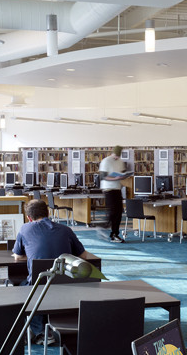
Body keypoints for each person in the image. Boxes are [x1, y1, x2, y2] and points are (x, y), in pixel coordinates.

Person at [11, 199, 86, 343]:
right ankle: (46, 330)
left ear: (29, 218)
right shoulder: (66, 229)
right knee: (42, 287)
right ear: (49, 213)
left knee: (26, 288)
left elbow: (18, 257)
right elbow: (84, 256)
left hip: (39, 285)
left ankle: (38, 331)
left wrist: (32, 255)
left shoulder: (25, 229)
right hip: (66, 285)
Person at [98, 145, 131, 243]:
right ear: (113, 153)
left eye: (118, 155)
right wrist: (115, 178)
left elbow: (122, 174)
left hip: (117, 188)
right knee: (113, 211)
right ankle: (103, 227)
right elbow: (103, 177)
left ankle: (115, 234)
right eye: (116, 155)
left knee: (119, 211)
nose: (117, 157)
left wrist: (124, 176)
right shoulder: (105, 161)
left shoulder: (120, 162)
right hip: (108, 189)